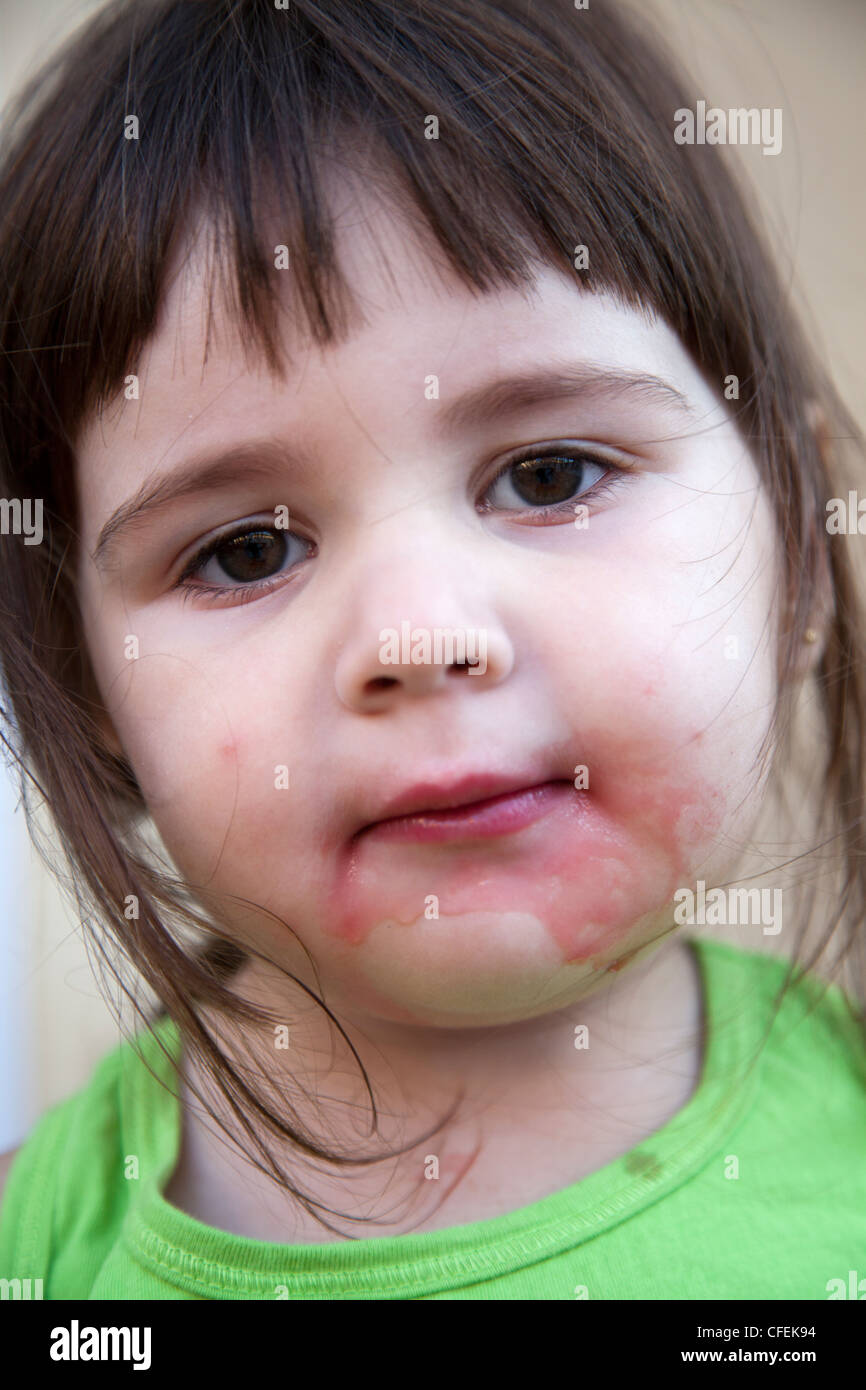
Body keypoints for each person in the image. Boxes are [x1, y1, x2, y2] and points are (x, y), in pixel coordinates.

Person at [0, 0, 864, 1300]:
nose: (419, 637)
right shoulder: (43, 1237)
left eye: (549, 471)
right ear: (89, 687)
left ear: (798, 544)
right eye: (244, 550)